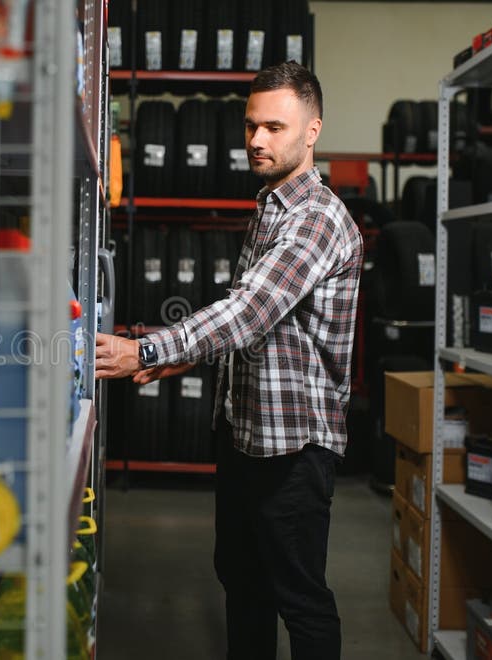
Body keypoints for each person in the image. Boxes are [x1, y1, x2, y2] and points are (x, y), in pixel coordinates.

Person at [94, 61, 362, 660]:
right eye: (250, 127)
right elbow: (255, 329)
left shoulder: (315, 218)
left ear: (312, 130)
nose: (257, 141)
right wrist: (178, 362)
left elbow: (250, 312)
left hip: (294, 449)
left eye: (274, 127)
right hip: (246, 435)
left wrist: (147, 348)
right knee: (243, 585)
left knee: (301, 600)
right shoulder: (269, 206)